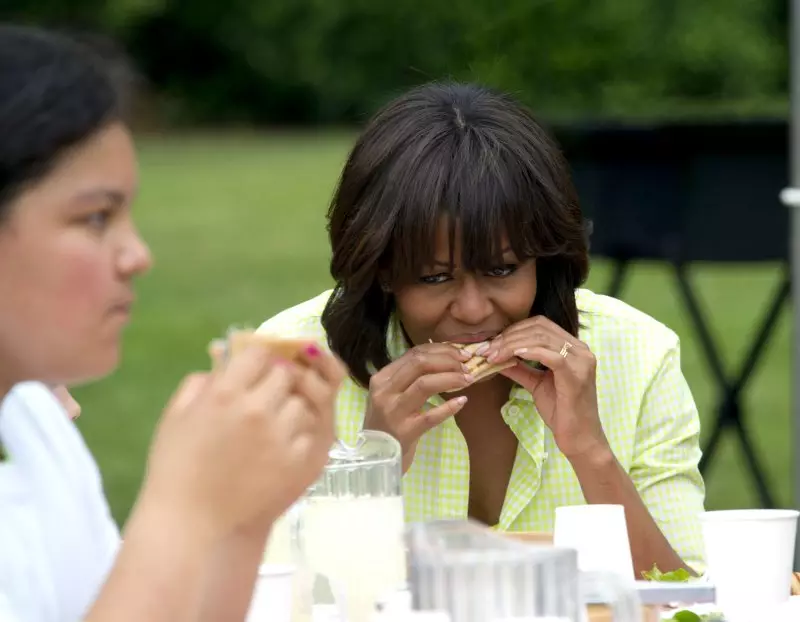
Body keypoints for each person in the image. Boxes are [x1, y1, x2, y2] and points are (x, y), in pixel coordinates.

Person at [258, 81, 707, 575]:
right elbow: (267, 597)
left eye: (501, 270)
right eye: (434, 277)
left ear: (544, 256)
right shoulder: (290, 364)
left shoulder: (638, 354)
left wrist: (591, 452)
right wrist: (370, 467)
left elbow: (690, 602)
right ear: (382, 271)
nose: (473, 310)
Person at [0, 24, 346, 622]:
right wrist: (184, 506)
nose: (137, 255)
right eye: (95, 218)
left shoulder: (34, 424)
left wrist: (247, 513)